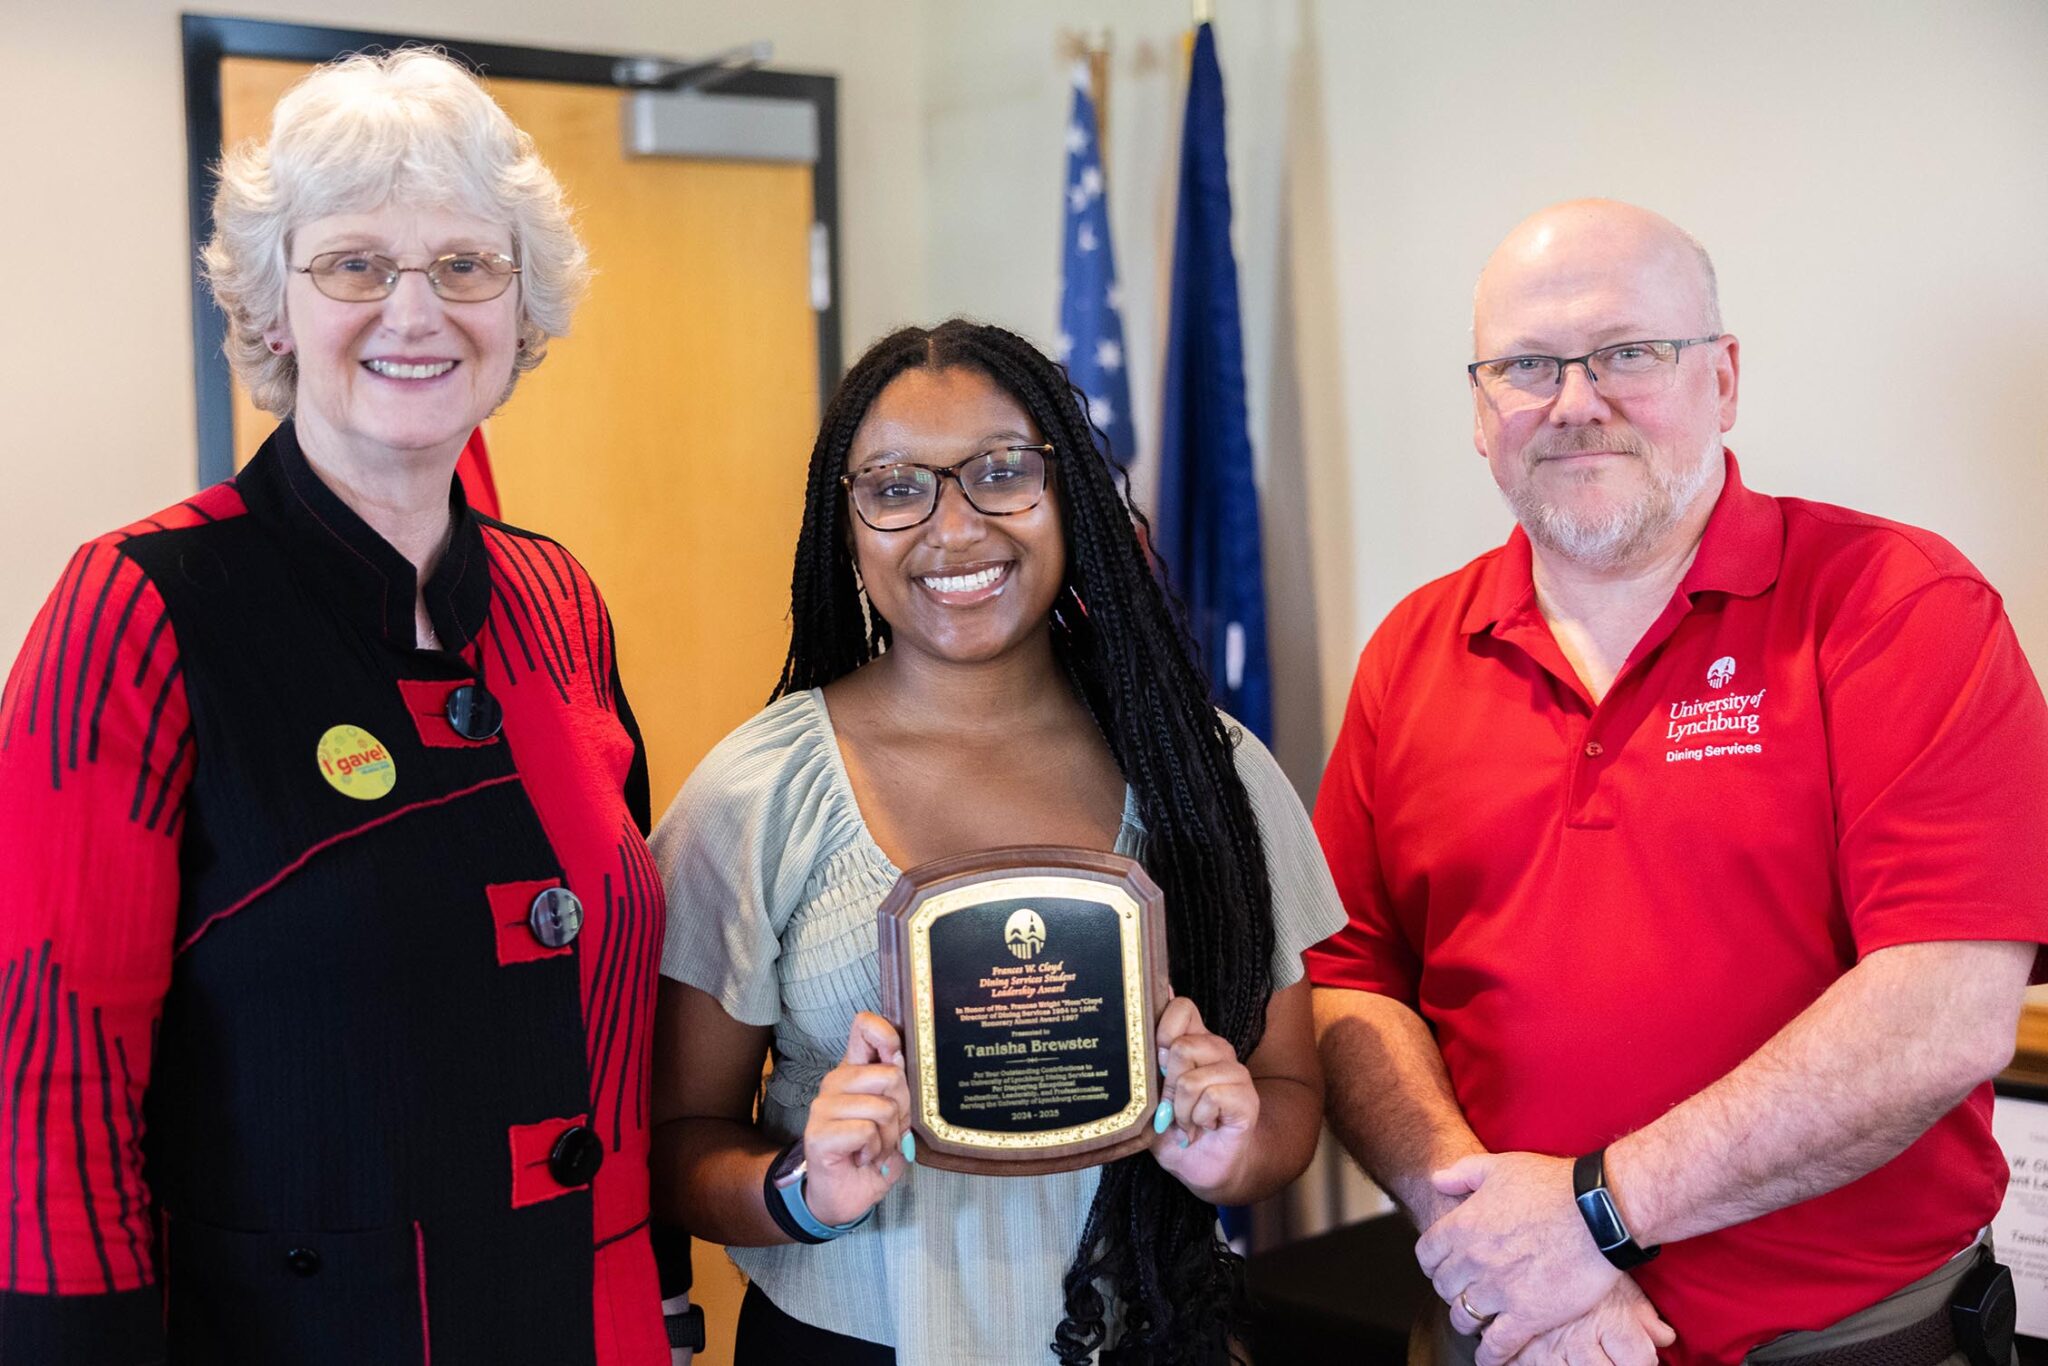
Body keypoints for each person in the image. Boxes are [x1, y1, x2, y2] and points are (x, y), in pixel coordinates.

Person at [0, 49, 676, 1364]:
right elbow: (49, 1087)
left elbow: (611, 1022)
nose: (415, 312)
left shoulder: (558, 601)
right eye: (356, 264)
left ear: (521, 304)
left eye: (467, 266)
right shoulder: (135, 607)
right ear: (273, 308)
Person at [1307, 197, 2048, 1366]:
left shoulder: (1898, 610)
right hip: (1503, 1337)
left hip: (1845, 1347)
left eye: (1627, 353)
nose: (1573, 401)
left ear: (1723, 377)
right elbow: (1345, 982)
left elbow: (1942, 1011)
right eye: (1524, 366)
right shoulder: (1410, 652)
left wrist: (1593, 1215)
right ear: (1478, 409)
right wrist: (1501, 1252)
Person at [648, 319, 1344, 1365]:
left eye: (1001, 472)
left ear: (1069, 497)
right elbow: (675, 1140)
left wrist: (1229, 1149)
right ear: (844, 525)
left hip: (1144, 1331)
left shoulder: (1208, 770)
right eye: (894, 487)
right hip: (845, 1341)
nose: (954, 526)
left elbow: (1288, 1094)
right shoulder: (758, 792)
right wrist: (804, 1187)